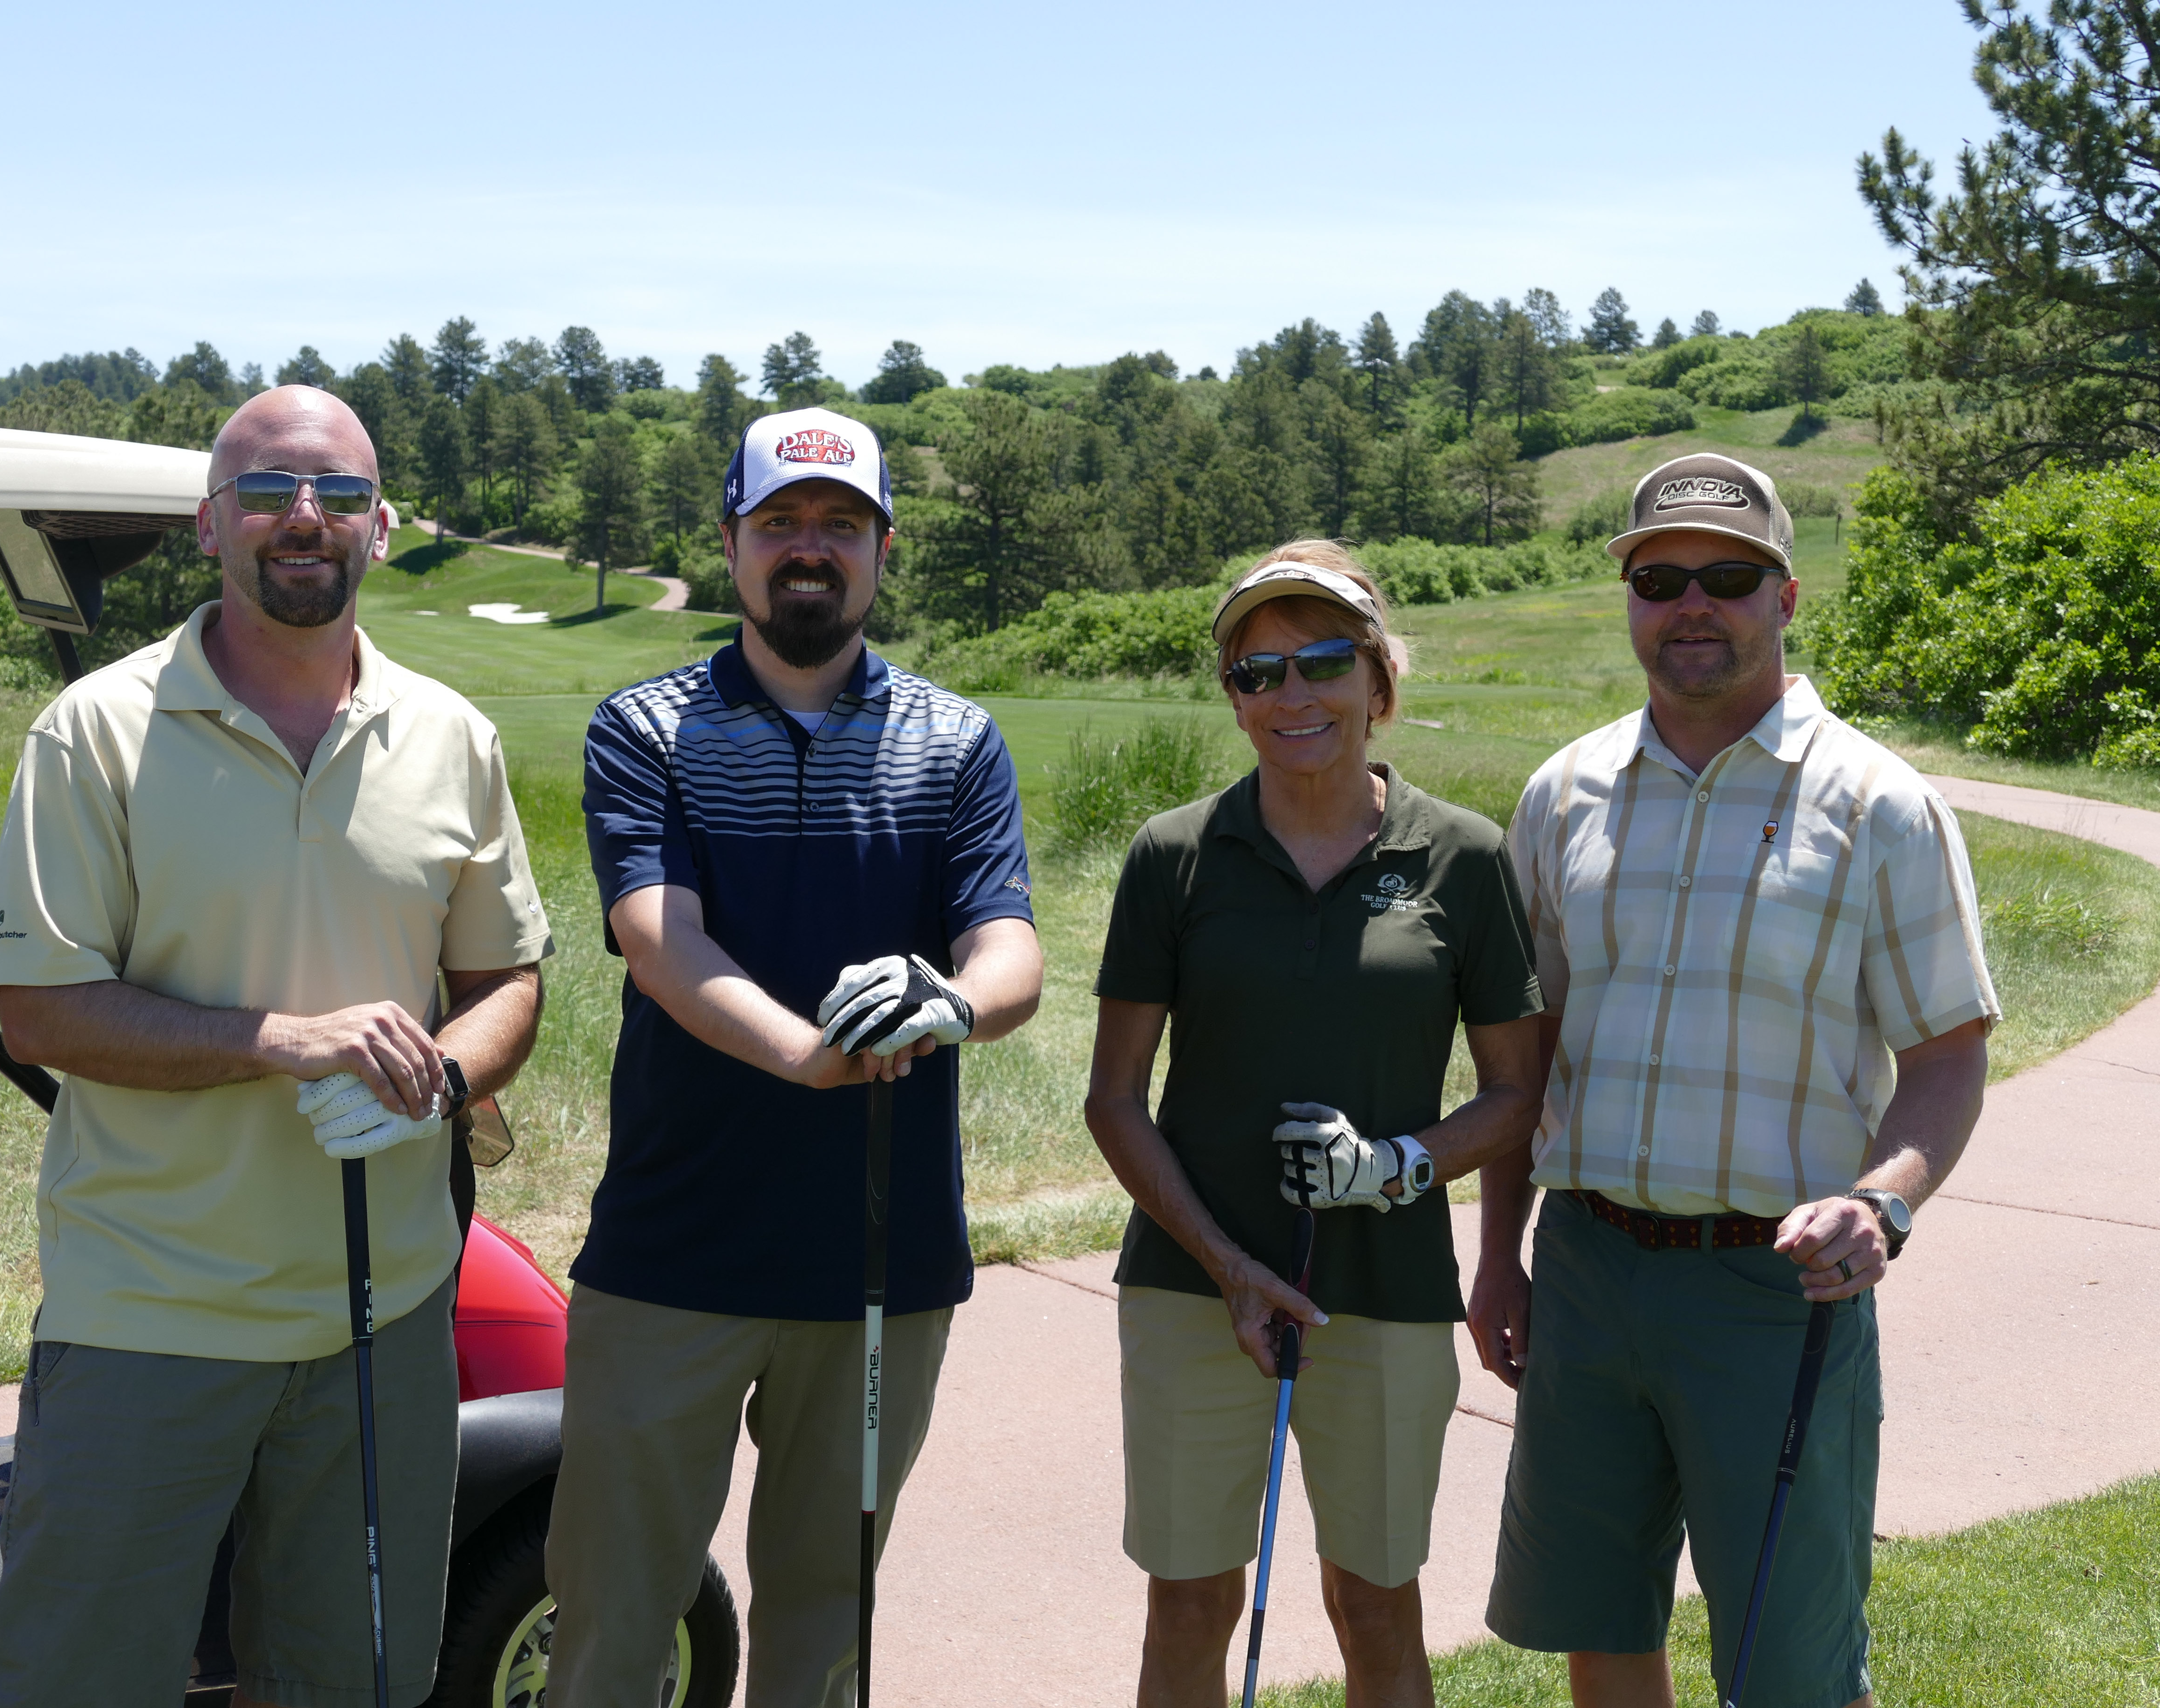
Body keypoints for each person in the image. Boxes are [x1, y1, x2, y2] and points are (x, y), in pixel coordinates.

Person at [0, 385, 551, 1708]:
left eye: (340, 495)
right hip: (149, 1315)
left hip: (385, 1317)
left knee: (351, 1684)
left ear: (382, 529)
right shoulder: (96, 733)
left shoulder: (454, 738)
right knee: (76, 1683)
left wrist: (443, 1078)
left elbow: (506, 979)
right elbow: (43, 1010)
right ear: (208, 527)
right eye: (270, 493)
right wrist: (285, 1041)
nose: (307, 519)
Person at [1476, 453, 1998, 1708]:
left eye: (1728, 575)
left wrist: (1882, 1203)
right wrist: (1504, 1253)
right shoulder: (1563, 795)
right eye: (1662, 579)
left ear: (1786, 596)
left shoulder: (1881, 806)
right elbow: (1523, 1050)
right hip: (1591, 1271)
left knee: (1790, 1664)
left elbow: (1946, 1055)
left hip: (1778, 1289)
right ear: (1631, 600)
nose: (1691, 603)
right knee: (1602, 1626)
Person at [549, 405, 1045, 1708]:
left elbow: (1010, 957)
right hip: (675, 1253)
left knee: (828, 1634)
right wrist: (809, 1053)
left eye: (840, 525)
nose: (808, 549)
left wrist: (949, 1003)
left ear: (884, 549)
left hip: (882, 1256)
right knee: (613, 1620)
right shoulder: (647, 728)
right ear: (731, 544)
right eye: (780, 524)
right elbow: (661, 941)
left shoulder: (956, 741)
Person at [1084, 540, 1548, 1708]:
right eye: (1259, 672)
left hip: (1386, 1287)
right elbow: (1115, 1098)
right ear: (1235, 699)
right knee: (1190, 1599)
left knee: (1376, 1603)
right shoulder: (1175, 855)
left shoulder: (1466, 857)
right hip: (1195, 1286)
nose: (1294, 695)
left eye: (1325, 662)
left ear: (1380, 683)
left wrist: (1397, 1168)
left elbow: (1514, 1093)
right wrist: (1230, 1265)